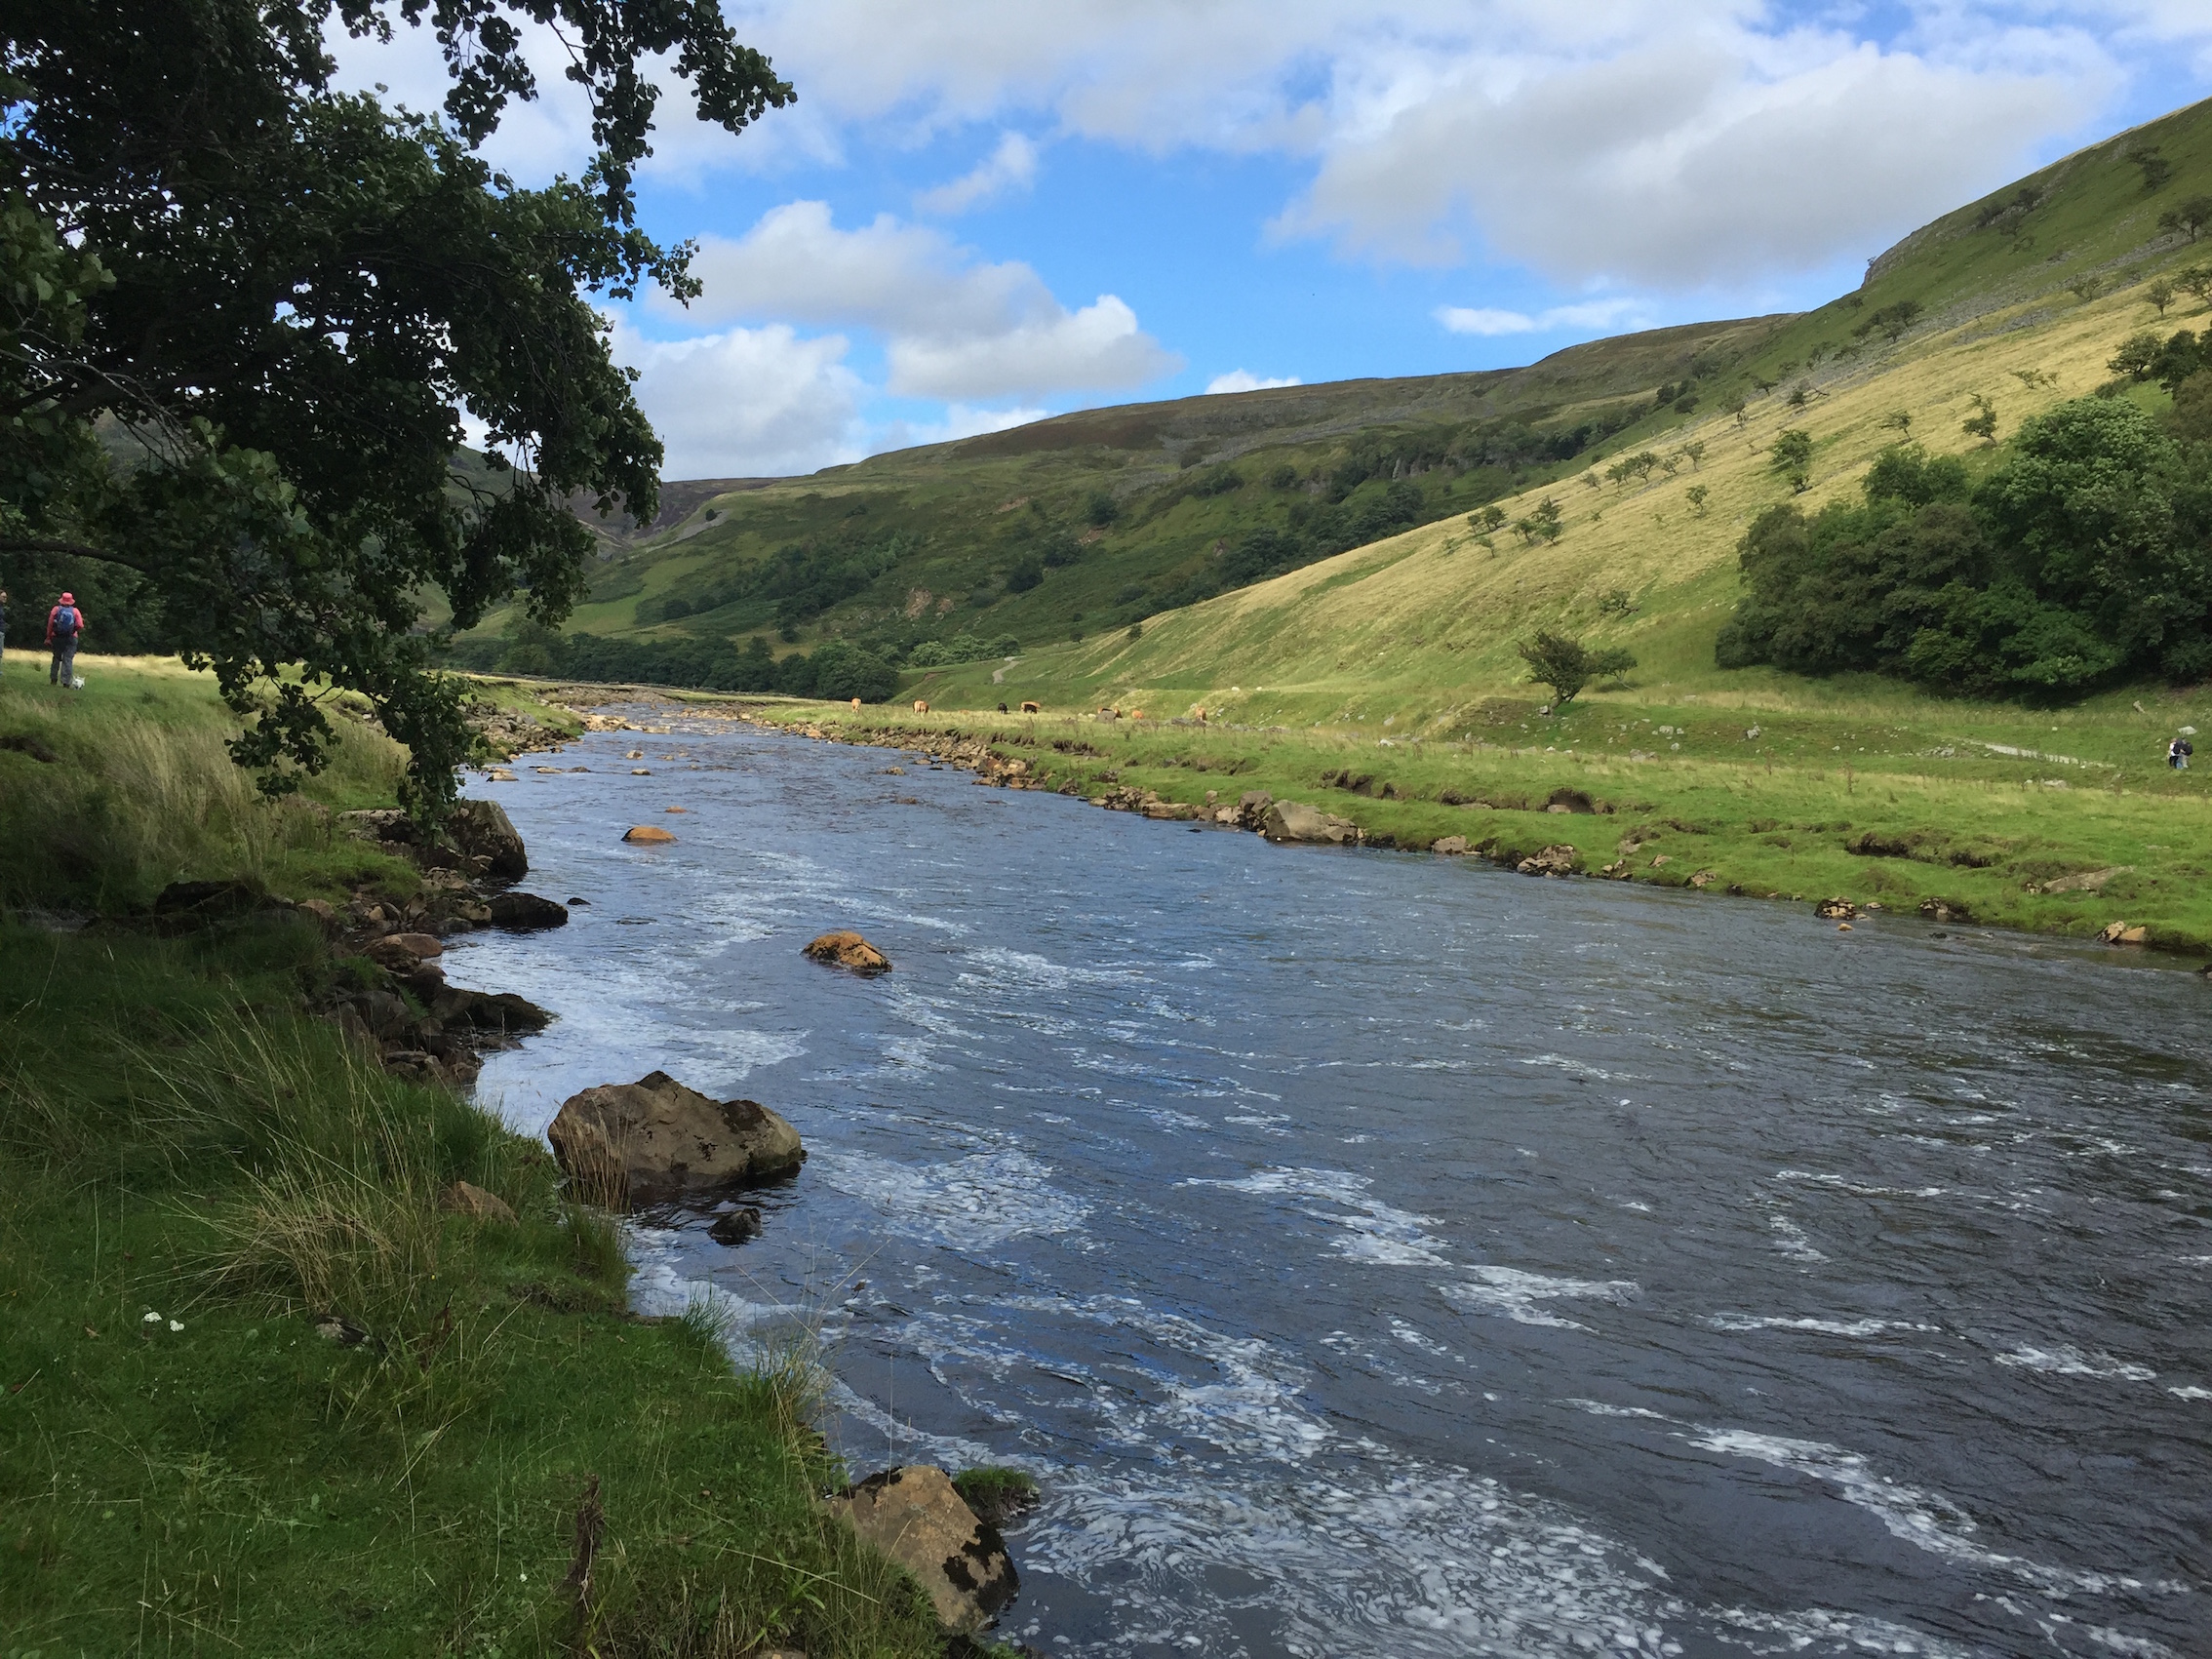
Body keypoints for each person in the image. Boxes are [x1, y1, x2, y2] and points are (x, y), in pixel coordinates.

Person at [47, 590, 85, 690]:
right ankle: (66, 682)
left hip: (57, 637)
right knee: (67, 659)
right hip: (71, 638)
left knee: (56, 658)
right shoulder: (75, 611)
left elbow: (50, 624)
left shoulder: (55, 610)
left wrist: (48, 637)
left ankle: (53, 679)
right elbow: (80, 625)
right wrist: (72, 631)